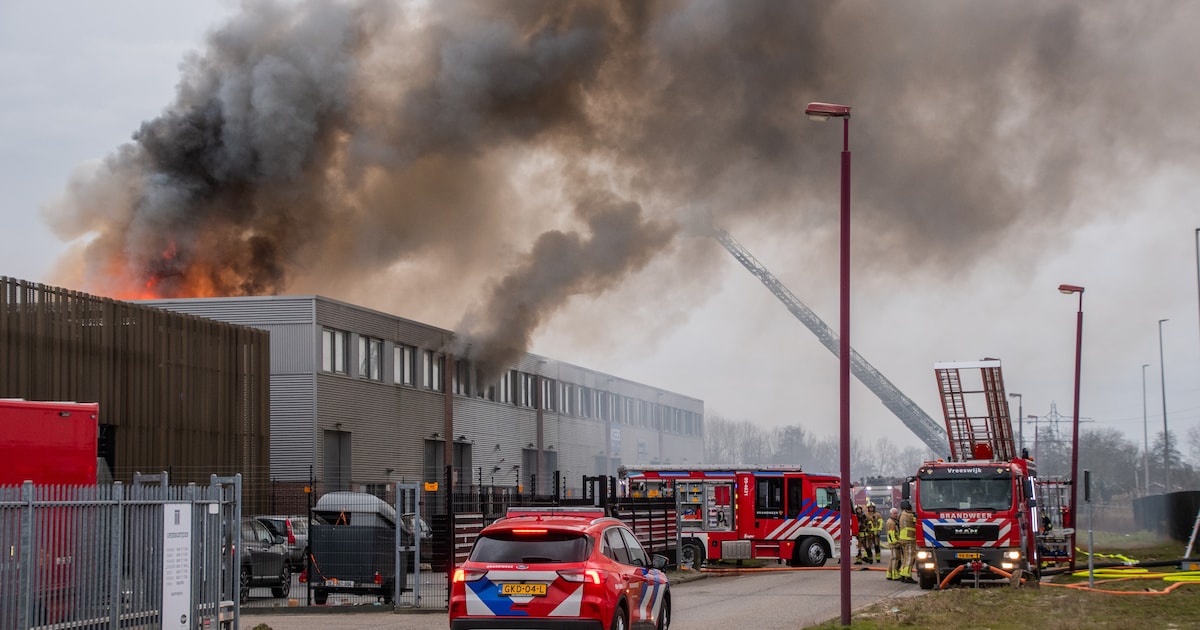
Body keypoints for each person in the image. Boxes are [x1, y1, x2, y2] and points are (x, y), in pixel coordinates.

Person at [897, 500, 917, 583]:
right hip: (909, 538)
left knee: (905, 557)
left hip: (903, 538)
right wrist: (916, 515)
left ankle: (902, 573)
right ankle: (907, 575)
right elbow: (916, 520)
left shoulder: (901, 514)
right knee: (910, 557)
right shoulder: (908, 515)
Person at [885, 507, 902, 580]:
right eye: (894, 513)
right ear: (891, 514)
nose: (896, 515)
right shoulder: (891, 522)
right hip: (894, 544)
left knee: (892, 558)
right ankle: (895, 574)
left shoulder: (894, 521)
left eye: (896, 513)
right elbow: (891, 534)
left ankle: (889, 574)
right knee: (896, 558)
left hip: (894, 543)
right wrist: (896, 542)